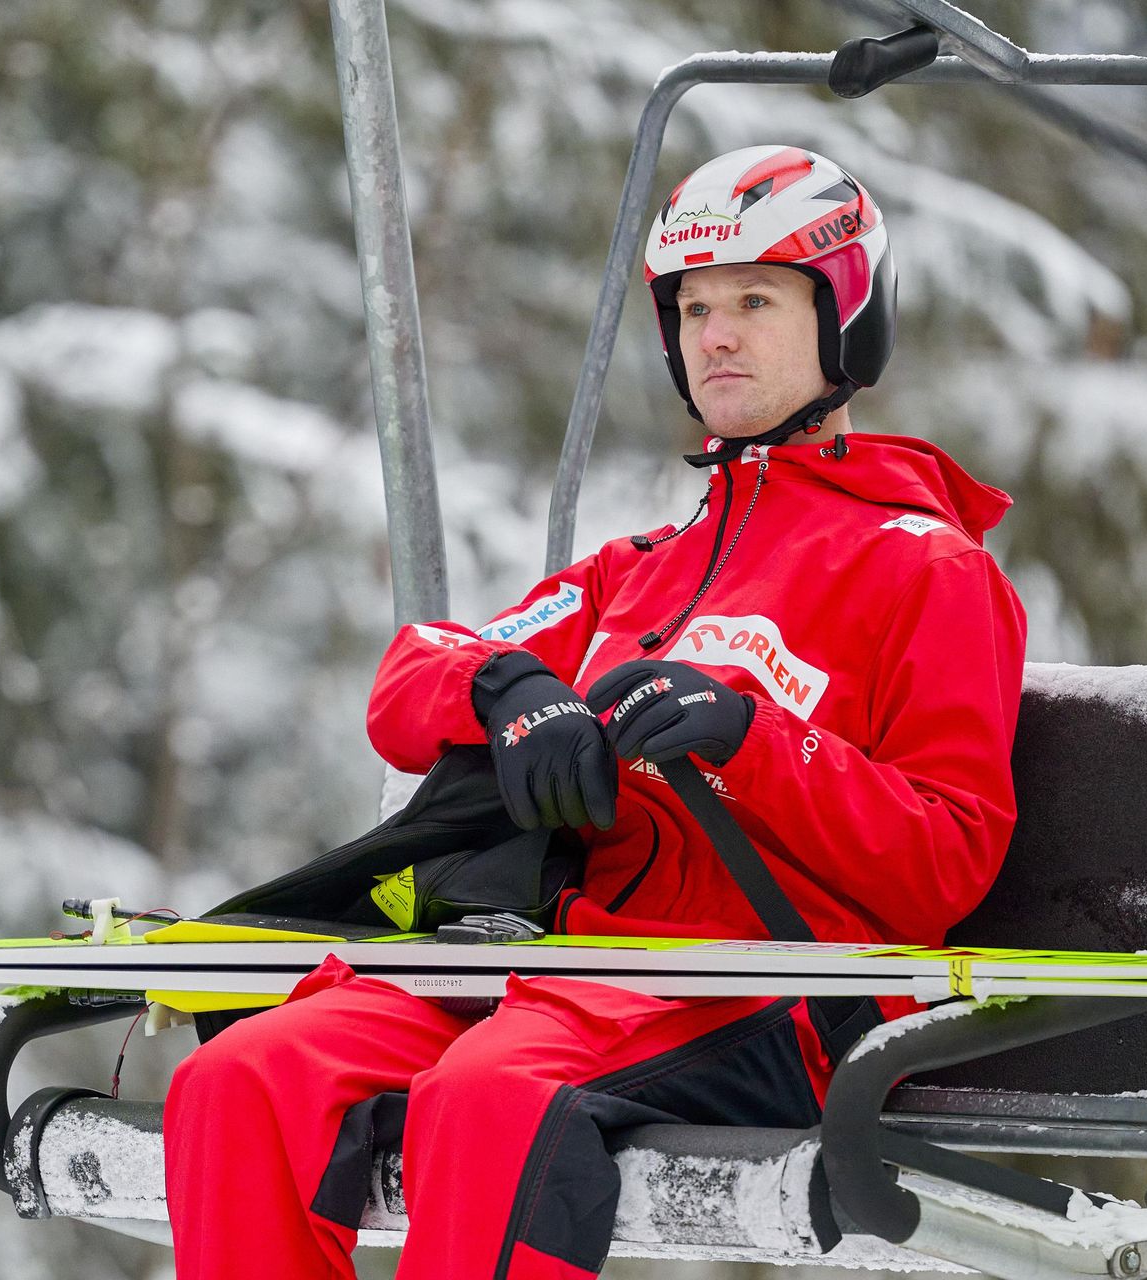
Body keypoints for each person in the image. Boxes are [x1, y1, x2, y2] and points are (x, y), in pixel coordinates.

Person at [164, 144, 1028, 1279]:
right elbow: (414, 675)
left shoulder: (928, 570)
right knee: (241, 1076)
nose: (716, 335)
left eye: (757, 301)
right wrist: (511, 689)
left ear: (846, 318)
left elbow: (946, 858)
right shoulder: (639, 571)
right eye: (695, 307)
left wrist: (752, 739)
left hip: (764, 983)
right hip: (562, 966)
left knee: (491, 1098)